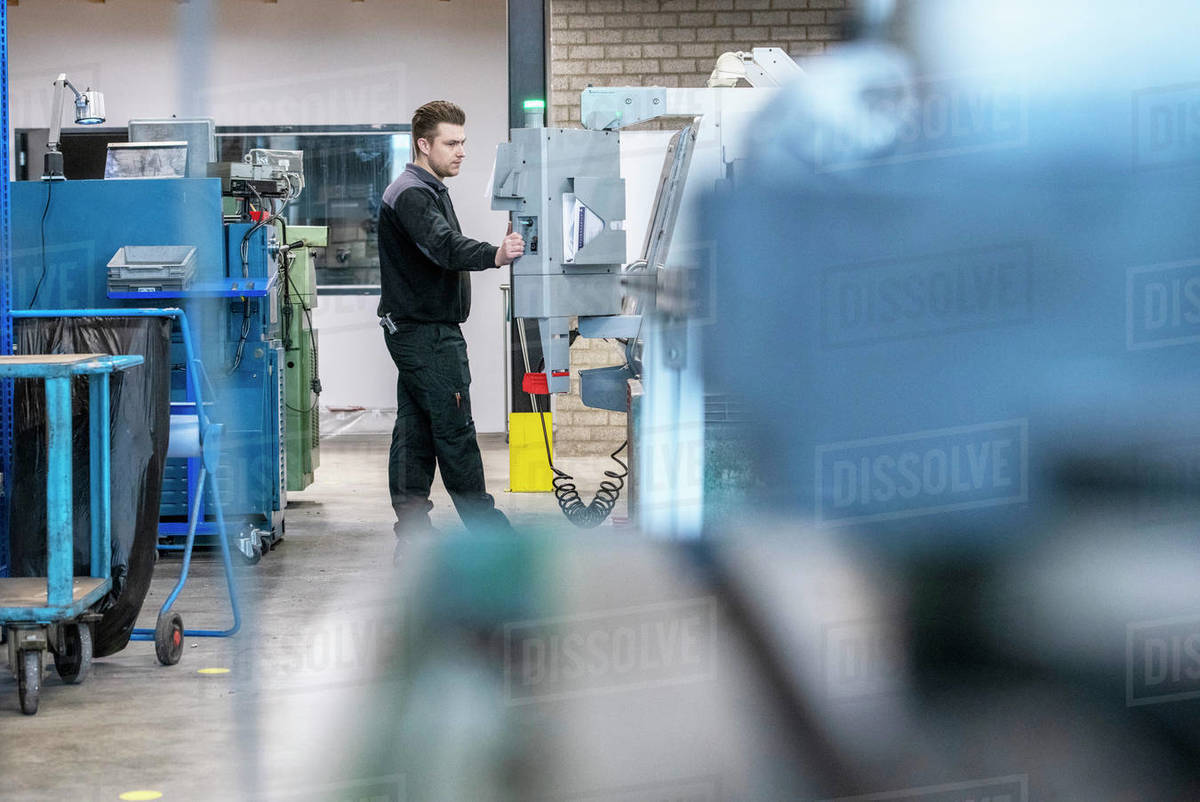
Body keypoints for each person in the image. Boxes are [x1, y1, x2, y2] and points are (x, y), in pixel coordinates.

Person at [377, 100, 524, 554]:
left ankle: (414, 535)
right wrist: (494, 255)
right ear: (424, 144)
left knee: (416, 429)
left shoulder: (425, 188)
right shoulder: (413, 193)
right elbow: (442, 246)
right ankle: (491, 540)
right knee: (455, 431)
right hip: (426, 334)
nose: (461, 151)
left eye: (463, 142)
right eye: (451, 143)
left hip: (418, 329)